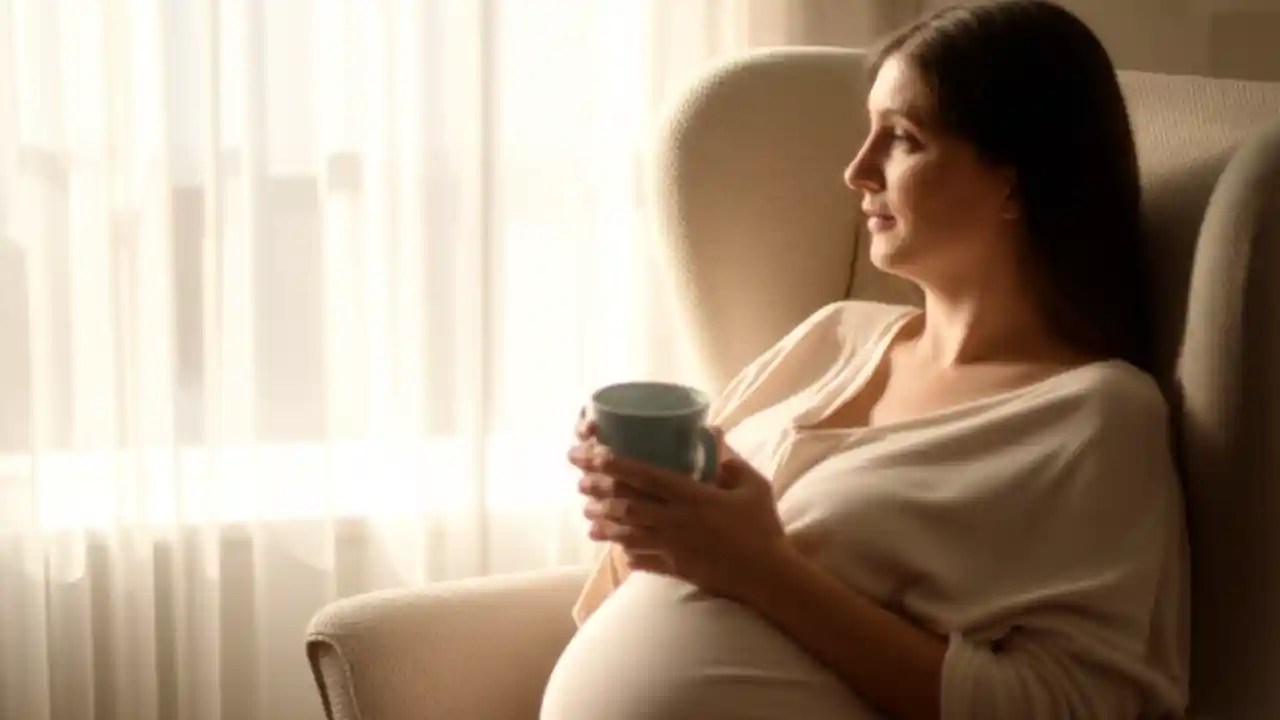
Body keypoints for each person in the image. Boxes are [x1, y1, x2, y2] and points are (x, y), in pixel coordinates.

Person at [539, 1, 1189, 718]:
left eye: (904, 138)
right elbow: (675, 587)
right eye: (868, 132)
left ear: (1016, 179)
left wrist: (764, 568)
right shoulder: (834, 337)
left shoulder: (1095, 417)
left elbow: (1073, 707)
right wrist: (648, 519)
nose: (857, 171)